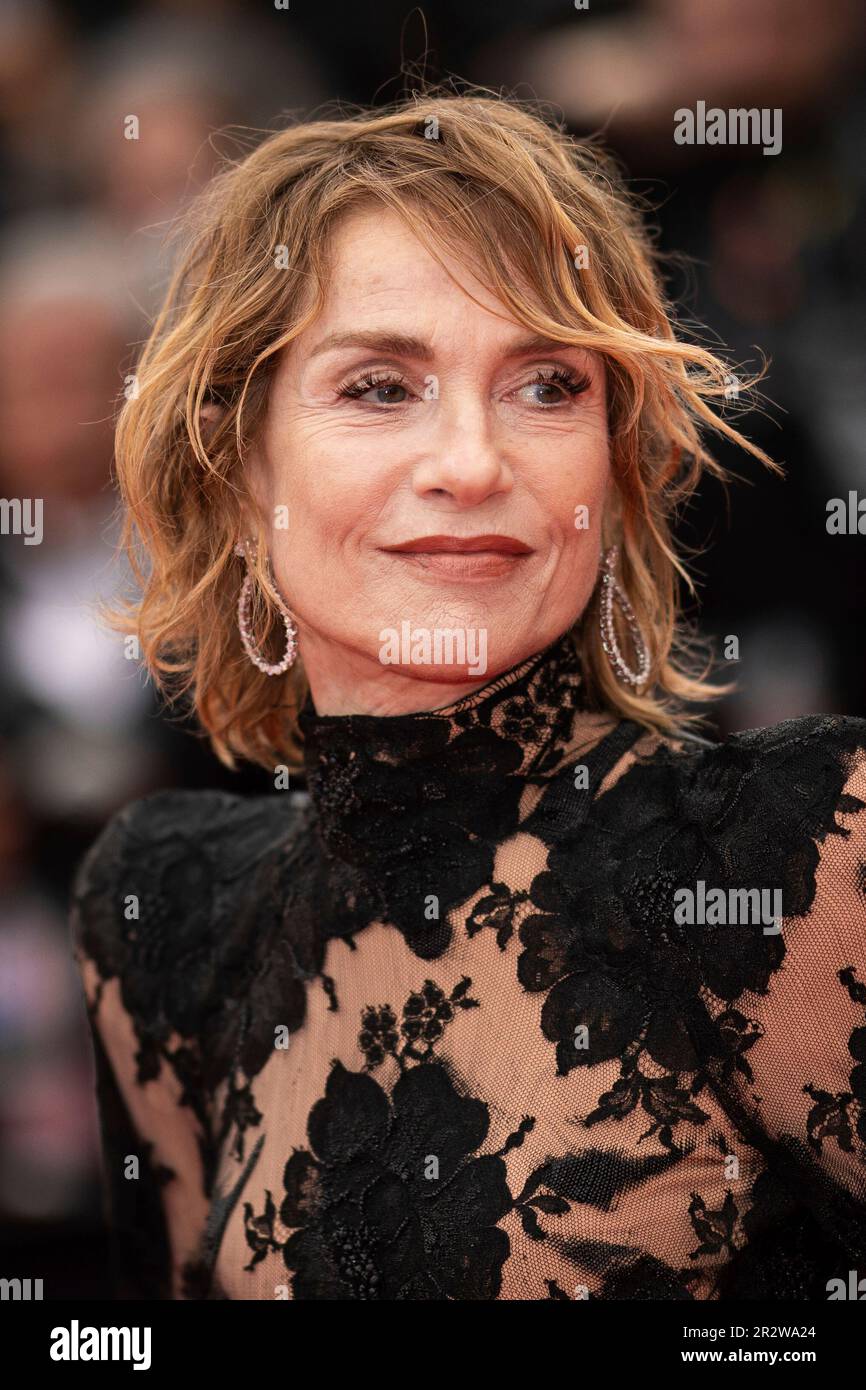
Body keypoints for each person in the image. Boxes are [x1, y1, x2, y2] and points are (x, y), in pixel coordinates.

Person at [71, 91, 866, 1301]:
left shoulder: (798, 851)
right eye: (380, 387)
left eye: (546, 385)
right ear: (238, 472)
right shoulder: (164, 911)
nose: (471, 462)